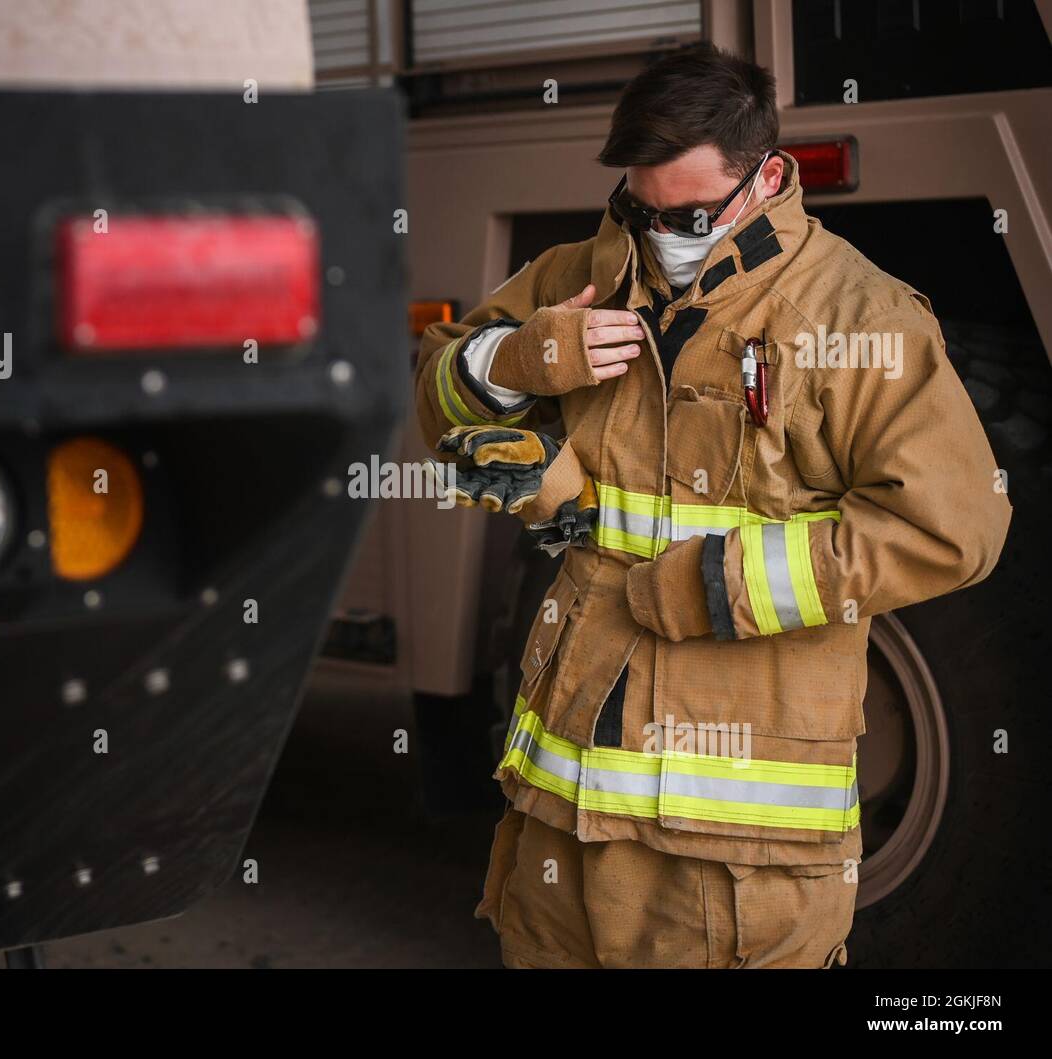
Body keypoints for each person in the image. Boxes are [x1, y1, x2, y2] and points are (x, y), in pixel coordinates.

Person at [414, 44, 1011, 969]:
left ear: (768, 175)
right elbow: (436, 393)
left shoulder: (859, 319)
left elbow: (954, 527)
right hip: (556, 844)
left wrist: (724, 584)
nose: (661, 235)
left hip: (737, 871)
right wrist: (513, 362)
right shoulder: (584, 273)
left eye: (690, 214)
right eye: (639, 209)